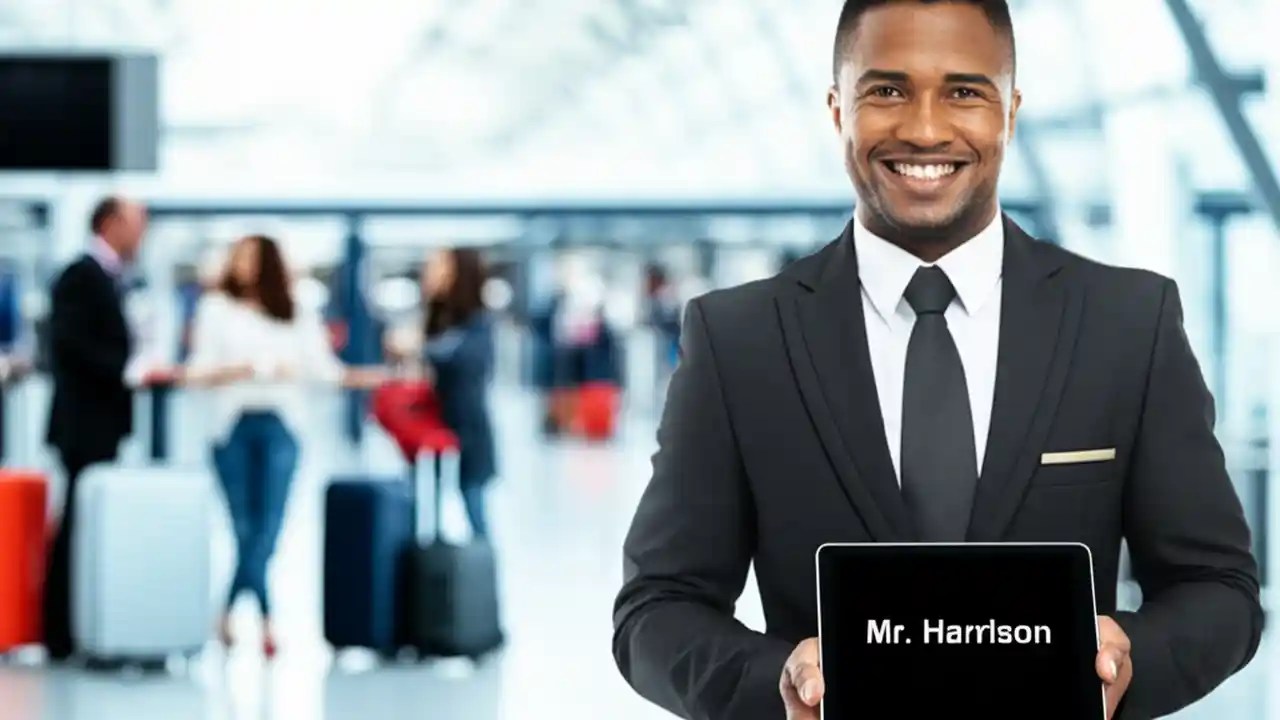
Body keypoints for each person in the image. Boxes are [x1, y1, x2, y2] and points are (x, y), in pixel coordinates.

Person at [612, 2, 1262, 719]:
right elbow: (656, 609)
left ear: (1010, 111)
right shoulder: (739, 339)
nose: (924, 128)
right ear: (838, 111)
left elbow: (1219, 590)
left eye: (964, 91)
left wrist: (1128, 659)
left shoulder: (1127, 325)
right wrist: (777, 678)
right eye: (886, 90)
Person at [184, 234, 384, 657]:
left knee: (268, 527)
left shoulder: (296, 310)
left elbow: (322, 369)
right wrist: (241, 370)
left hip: (281, 424)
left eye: (255, 259)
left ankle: (229, 612)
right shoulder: (216, 310)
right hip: (231, 426)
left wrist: (368, 377)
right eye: (240, 258)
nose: (246, 266)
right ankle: (265, 619)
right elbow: (198, 370)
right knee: (243, 526)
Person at [43, 195, 162, 661]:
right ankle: (61, 632)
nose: (141, 234)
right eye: (136, 223)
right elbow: (69, 346)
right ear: (111, 223)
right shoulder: (81, 275)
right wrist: (125, 370)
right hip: (83, 424)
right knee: (76, 524)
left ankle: (79, 624)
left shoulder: (115, 279)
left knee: (87, 523)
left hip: (102, 421)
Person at [421, 247, 497, 539]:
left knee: (473, 502)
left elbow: (462, 359)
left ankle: (483, 579)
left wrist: (420, 348)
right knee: (431, 506)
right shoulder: (438, 316)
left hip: (468, 425)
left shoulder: (476, 321)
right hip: (434, 422)